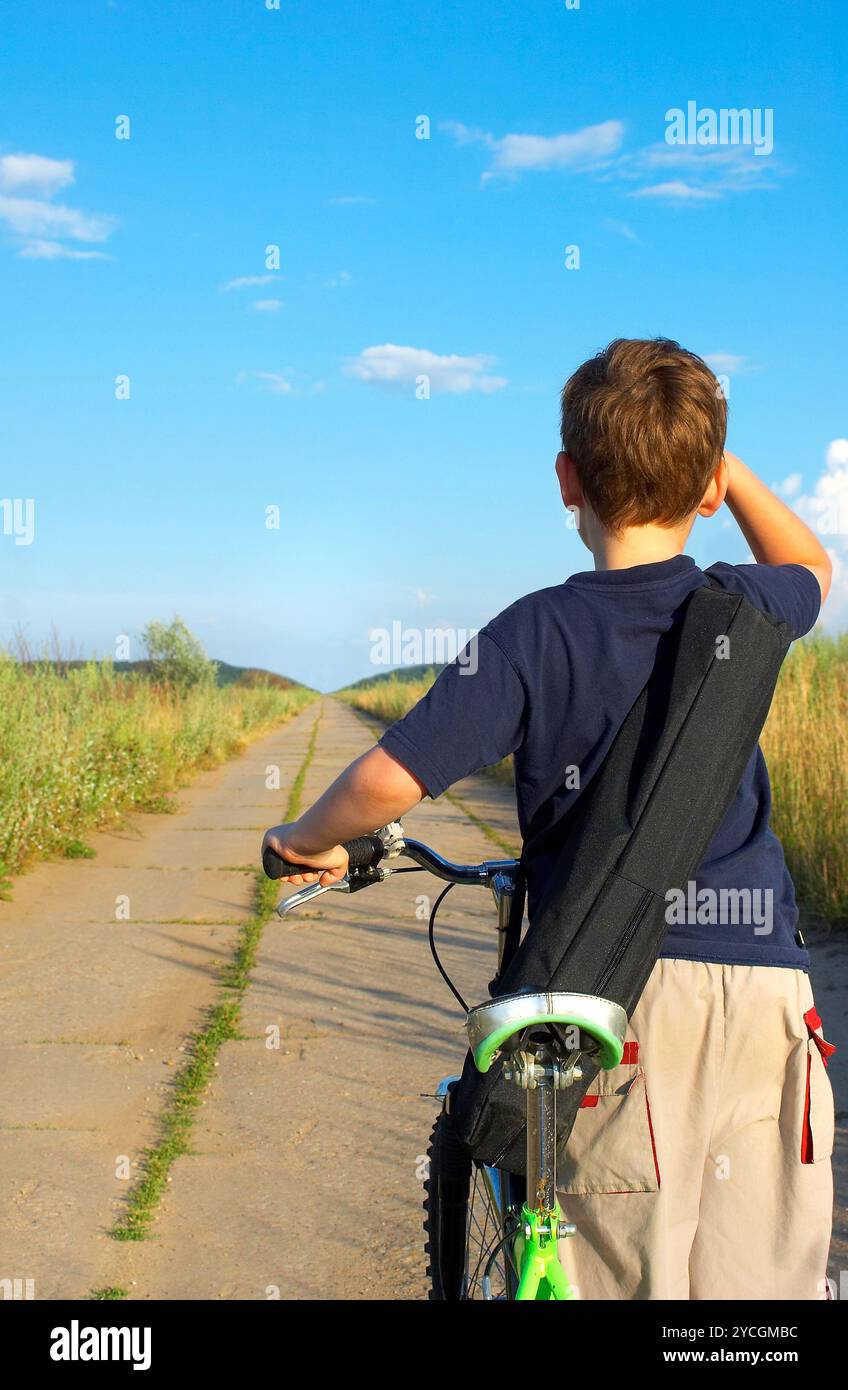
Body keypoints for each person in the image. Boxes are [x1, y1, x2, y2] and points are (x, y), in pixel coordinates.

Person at [263, 337, 835, 1300]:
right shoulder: (745, 605)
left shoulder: (535, 632)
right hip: (767, 1000)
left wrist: (304, 841)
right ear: (705, 490)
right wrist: (722, 472)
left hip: (620, 1000)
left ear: (566, 479)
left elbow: (390, 778)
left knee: (615, 1270)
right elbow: (812, 561)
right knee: (760, 1298)